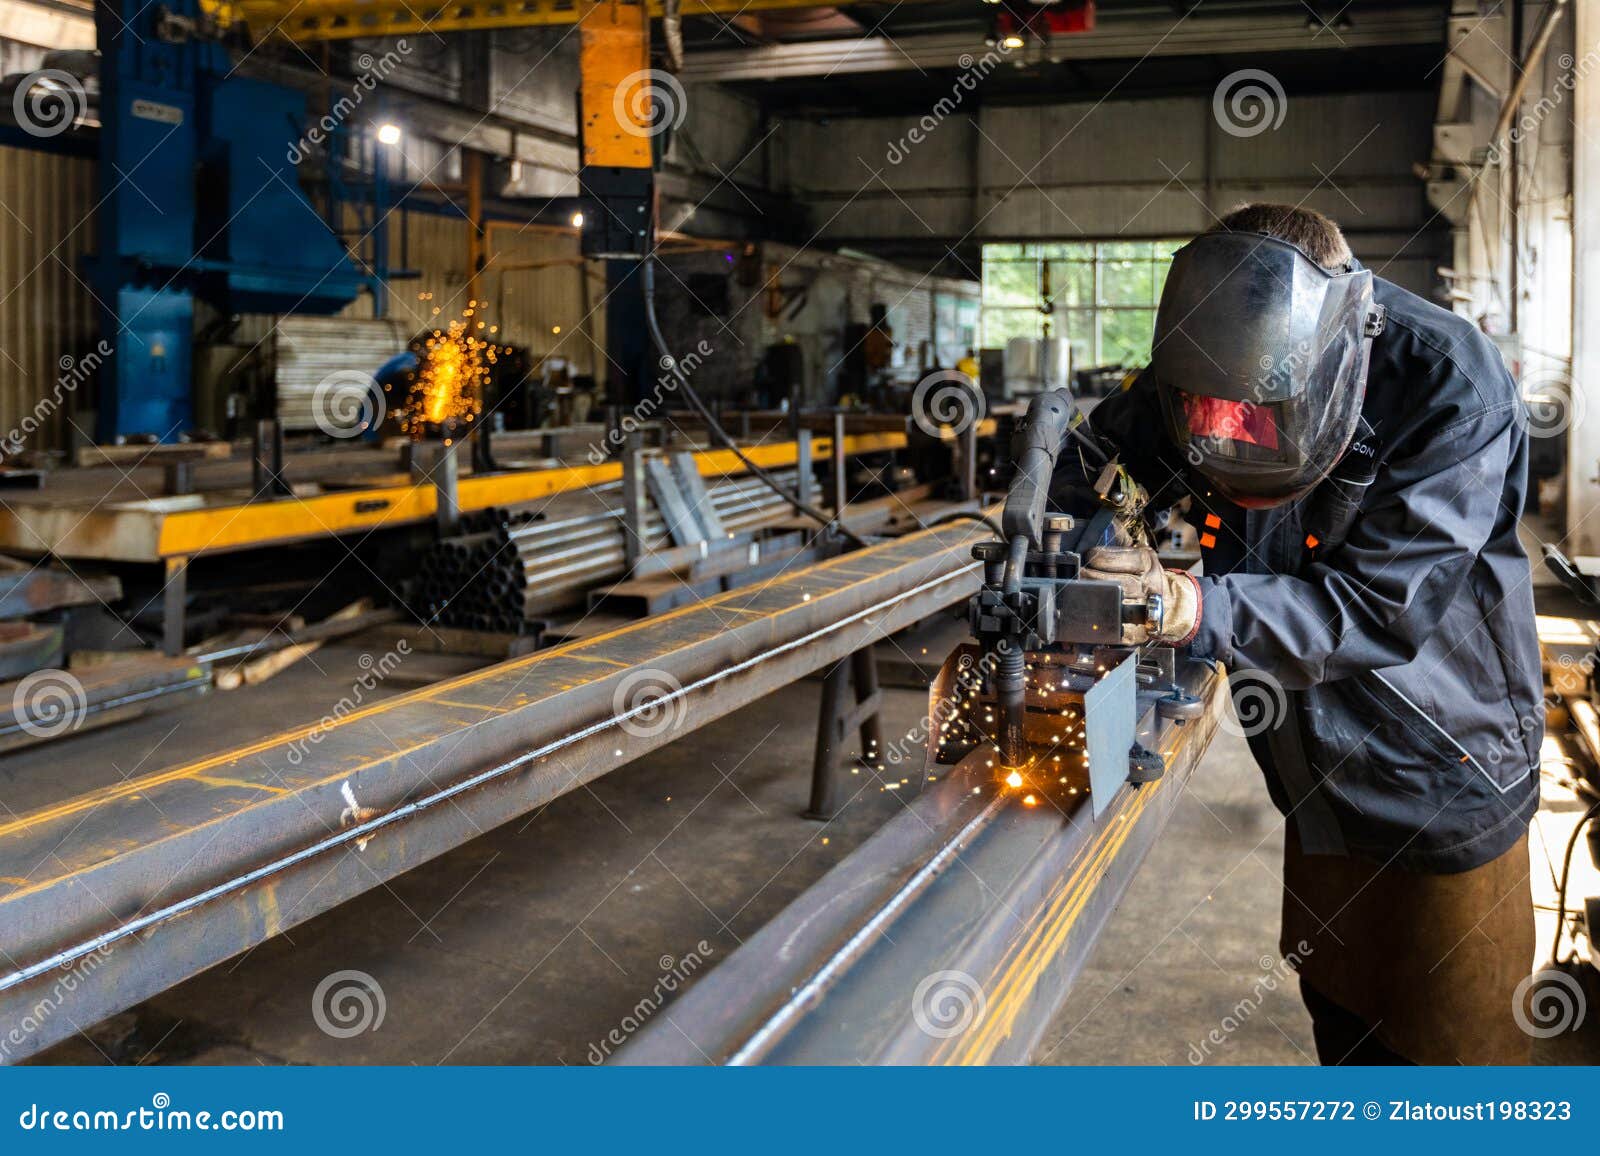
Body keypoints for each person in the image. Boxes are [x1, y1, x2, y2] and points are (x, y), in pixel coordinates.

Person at [1072, 203, 1541, 1065]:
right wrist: (1079, 546)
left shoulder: (1451, 389)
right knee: (1338, 1004)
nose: (1226, 437)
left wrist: (1193, 606)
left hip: (1439, 768)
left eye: (1258, 417)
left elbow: (1374, 610)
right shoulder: (1205, 367)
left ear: (1338, 348)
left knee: (1444, 1055)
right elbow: (1094, 462)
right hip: (1305, 764)